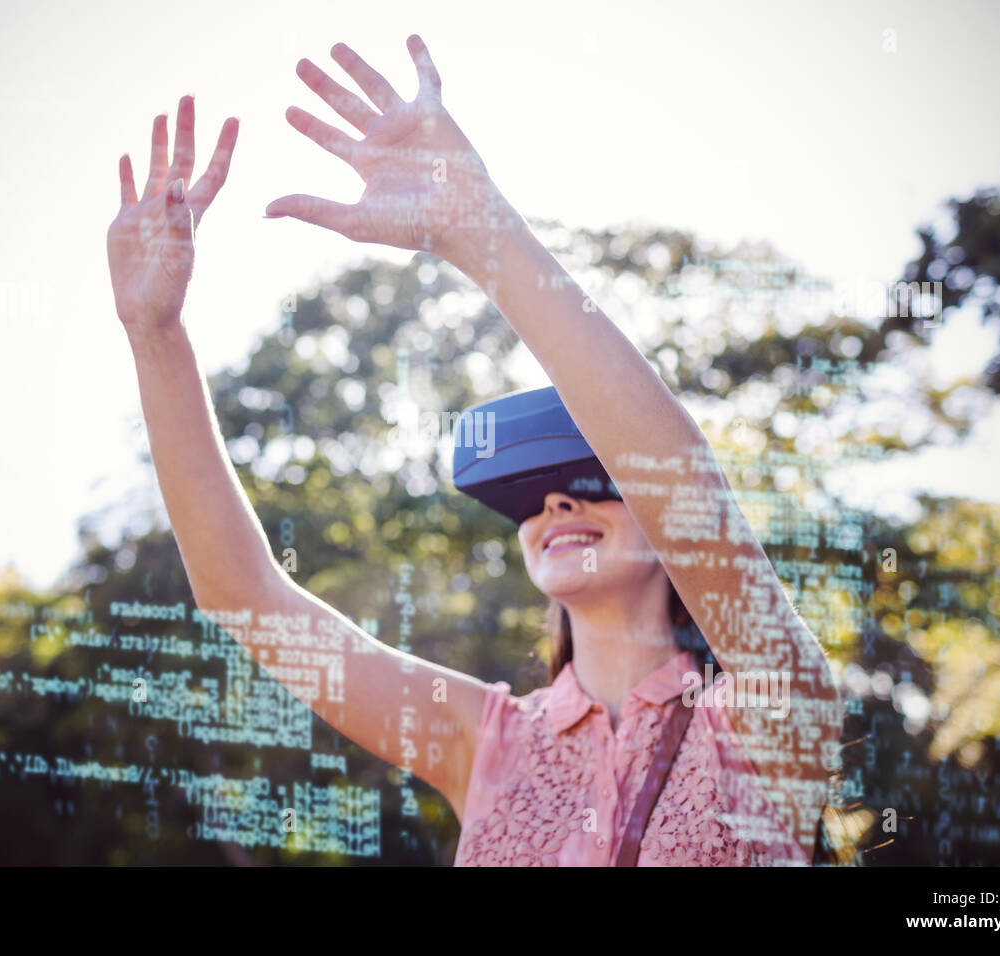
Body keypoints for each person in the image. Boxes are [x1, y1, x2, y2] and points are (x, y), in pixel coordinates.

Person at [105, 34, 843, 866]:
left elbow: (680, 481)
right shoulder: (483, 740)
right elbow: (245, 597)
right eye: (528, 499)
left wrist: (476, 229)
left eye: (589, 483)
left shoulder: (772, 716)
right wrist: (154, 335)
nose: (554, 506)